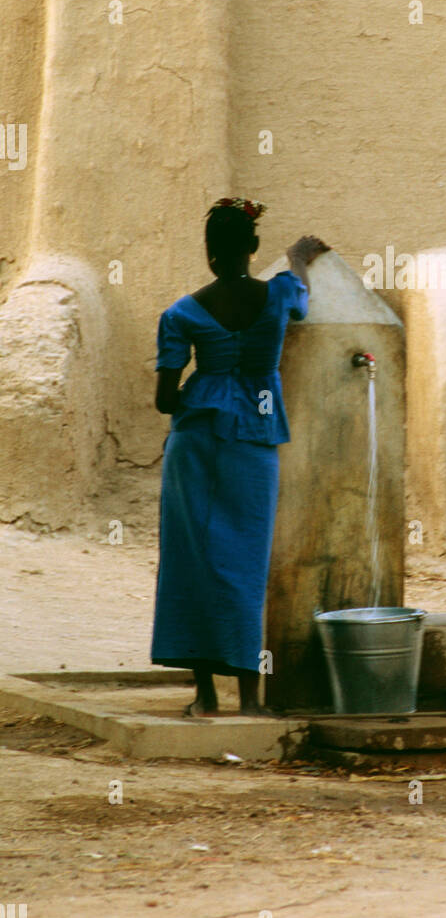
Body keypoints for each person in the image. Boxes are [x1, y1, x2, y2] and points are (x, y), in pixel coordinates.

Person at [152, 196, 329, 717]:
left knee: (191, 561)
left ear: (209, 253)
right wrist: (297, 256)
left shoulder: (182, 313)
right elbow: (301, 294)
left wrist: (202, 395)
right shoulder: (278, 296)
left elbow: (165, 398)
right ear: (253, 248)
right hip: (255, 434)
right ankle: (250, 699)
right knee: (245, 564)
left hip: (195, 439)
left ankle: (205, 696)